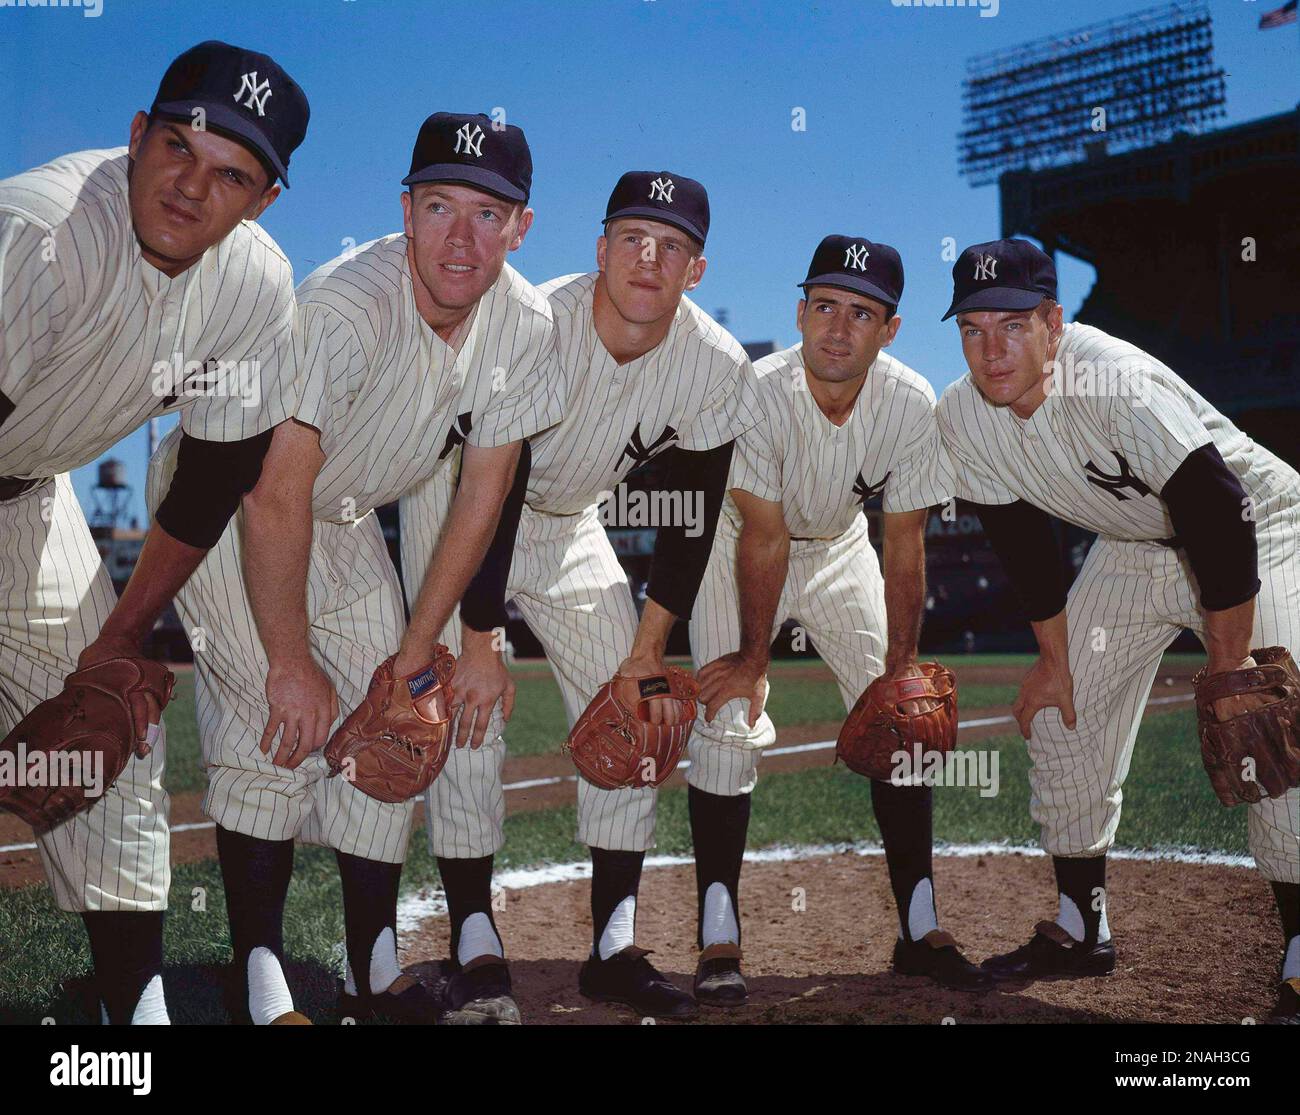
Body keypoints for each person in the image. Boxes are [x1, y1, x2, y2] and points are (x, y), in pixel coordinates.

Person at [144, 112, 562, 1024]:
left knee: (398, 725)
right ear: (406, 210)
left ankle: (373, 972)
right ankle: (261, 984)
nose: (462, 236)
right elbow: (271, 494)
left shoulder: (526, 324)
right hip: (229, 494)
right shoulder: (344, 306)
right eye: (441, 205)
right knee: (277, 716)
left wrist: (417, 646)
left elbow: (484, 492)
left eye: (489, 214)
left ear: (522, 227)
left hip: (336, 513)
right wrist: (292, 660)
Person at [401, 170, 761, 1020]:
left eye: (672, 246)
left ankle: (613, 944)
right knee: (463, 711)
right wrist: (481, 639)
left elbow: (692, 517)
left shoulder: (714, 363)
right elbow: (498, 483)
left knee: (632, 711)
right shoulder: (538, 323)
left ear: (695, 271)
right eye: (633, 237)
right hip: (460, 505)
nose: (649, 256)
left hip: (568, 524)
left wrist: (648, 649)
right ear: (599, 249)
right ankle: (476, 940)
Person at [0, 40, 309, 1025]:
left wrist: (120, 635)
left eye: (232, 174)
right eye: (178, 146)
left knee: (115, 739)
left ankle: (128, 1012)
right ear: (136, 136)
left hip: (27, 498)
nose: (191, 186)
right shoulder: (38, 235)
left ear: (260, 202)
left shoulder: (254, 287)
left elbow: (214, 475)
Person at [936, 237, 1300, 1024]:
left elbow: (1217, 503)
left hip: (1257, 529)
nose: (990, 348)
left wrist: (1231, 669)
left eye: (1011, 325)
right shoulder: (964, 414)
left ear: (1053, 323)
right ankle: (1080, 923)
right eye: (971, 328)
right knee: (1062, 717)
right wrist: (1053, 659)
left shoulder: (1114, 380)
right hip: (1134, 548)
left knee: (1270, 726)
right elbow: (1023, 542)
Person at [687, 236, 989, 1005]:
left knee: (908, 721)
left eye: (861, 313)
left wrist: (902, 666)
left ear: (889, 330)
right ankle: (719, 929)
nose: (837, 326)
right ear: (799, 311)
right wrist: (754, 661)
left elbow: (905, 540)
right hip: (740, 544)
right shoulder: (759, 389)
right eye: (824, 305)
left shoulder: (910, 401)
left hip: (841, 548)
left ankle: (919, 926)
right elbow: (761, 534)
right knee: (725, 717)